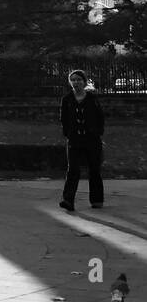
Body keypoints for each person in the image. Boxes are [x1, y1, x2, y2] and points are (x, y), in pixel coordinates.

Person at [59, 69, 104, 211]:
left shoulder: (92, 98)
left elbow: (100, 116)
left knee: (94, 169)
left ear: (84, 82)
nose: (76, 82)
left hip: (91, 139)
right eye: (73, 80)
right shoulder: (67, 99)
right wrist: (68, 133)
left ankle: (97, 199)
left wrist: (97, 132)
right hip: (75, 139)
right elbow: (64, 119)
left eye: (79, 79)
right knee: (73, 169)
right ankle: (68, 200)